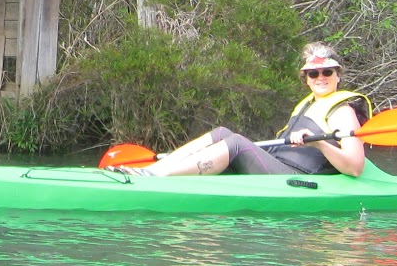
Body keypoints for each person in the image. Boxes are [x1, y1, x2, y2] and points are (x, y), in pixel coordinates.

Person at [118, 43, 373, 178]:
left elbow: (355, 168)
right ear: (305, 78)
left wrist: (320, 145)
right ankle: (154, 170)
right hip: (279, 165)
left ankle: (155, 178)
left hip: (300, 178)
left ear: (338, 75)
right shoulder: (308, 104)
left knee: (237, 143)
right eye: (313, 73)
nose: (320, 77)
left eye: (327, 72)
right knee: (221, 133)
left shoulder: (343, 111)